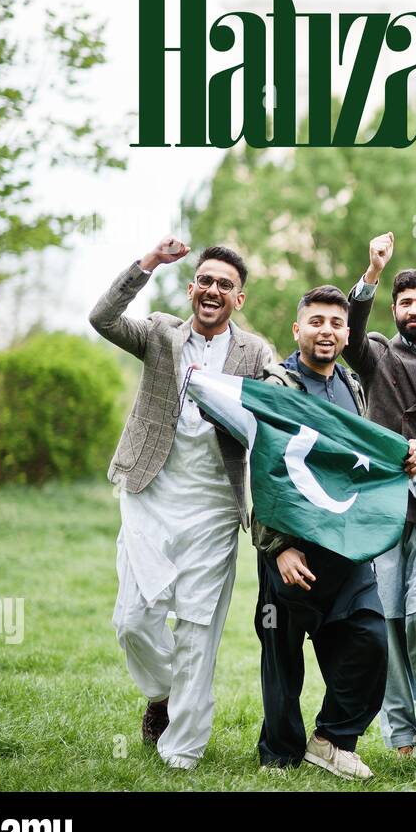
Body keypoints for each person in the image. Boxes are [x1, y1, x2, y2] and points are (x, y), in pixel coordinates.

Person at [89, 237, 272, 770]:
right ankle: (164, 696)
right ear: (193, 288)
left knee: (197, 627)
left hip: (216, 501)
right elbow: (102, 317)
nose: (214, 290)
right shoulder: (161, 334)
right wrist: (147, 262)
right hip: (149, 491)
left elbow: (284, 398)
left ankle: (182, 751)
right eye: (206, 280)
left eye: (226, 285)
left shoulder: (255, 352)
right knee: (132, 620)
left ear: (239, 299)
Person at [252, 285, 389, 780]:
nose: (326, 330)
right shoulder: (277, 385)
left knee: (371, 639)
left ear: (347, 332)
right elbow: (264, 468)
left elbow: (360, 458)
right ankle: (280, 754)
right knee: (283, 657)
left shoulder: (351, 385)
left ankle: (332, 740)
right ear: (297, 329)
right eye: (316, 321)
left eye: (336, 322)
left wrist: (403, 460)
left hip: (345, 547)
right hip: (290, 546)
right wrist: (279, 548)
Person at [343, 233, 416, 763]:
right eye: (405, 302)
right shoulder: (375, 356)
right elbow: (349, 329)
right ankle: (401, 735)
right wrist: (372, 271)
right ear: (395, 309)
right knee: (389, 620)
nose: (415, 310)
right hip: (383, 508)